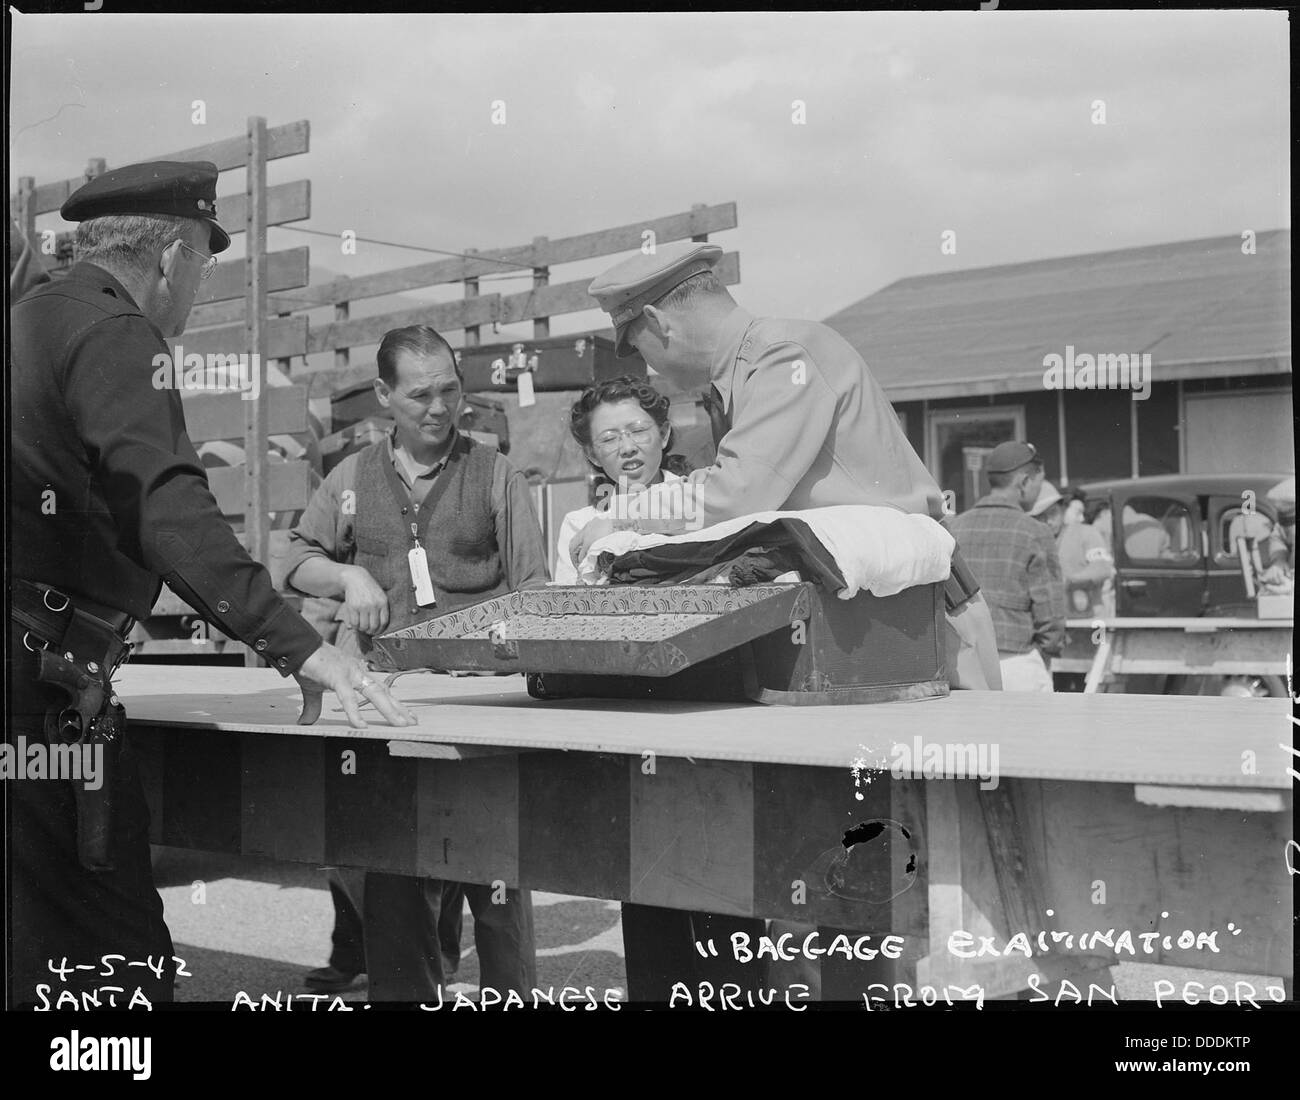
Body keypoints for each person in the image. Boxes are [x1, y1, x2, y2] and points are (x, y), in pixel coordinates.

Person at [9, 160, 414, 1009]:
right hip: (39, 691)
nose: (199, 286)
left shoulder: (30, 319)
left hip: (29, 674)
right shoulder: (118, 334)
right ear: (172, 259)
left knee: (34, 951)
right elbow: (169, 513)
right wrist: (300, 646)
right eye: (204, 263)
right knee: (113, 965)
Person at [583, 240, 1003, 1003]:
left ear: (654, 321)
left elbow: (733, 500)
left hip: (915, 632)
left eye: (631, 344)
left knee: (970, 883)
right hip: (853, 639)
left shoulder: (785, 356)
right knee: (852, 865)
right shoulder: (739, 378)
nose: (638, 369)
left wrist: (615, 522)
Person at [279, 323, 547, 1002]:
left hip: (479, 709)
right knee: (393, 871)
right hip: (385, 703)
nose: (439, 407)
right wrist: (346, 580)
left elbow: (536, 591)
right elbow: (295, 560)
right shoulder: (352, 478)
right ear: (383, 396)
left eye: (450, 390)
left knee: (495, 874)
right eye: (420, 394)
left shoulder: (495, 474)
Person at [948, 441, 1066, 693]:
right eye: (1039, 482)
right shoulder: (1036, 532)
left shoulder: (955, 528)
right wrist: (1047, 651)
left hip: (966, 664)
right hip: (1019, 662)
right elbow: (1051, 613)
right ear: (1023, 482)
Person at [554, 376, 691, 584]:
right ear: (592, 454)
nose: (628, 448)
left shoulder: (698, 498)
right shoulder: (580, 525)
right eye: (609, 439)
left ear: (663, 434)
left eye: (638, 431)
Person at [1054, 489, 1116, 618]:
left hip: (1093, 619)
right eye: (1078, 512)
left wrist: (1069, 580)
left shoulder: (1088, 533)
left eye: (1082, 513)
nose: (1082, 518)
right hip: (1064, 622)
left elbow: (1102, 568)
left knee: (1099, 638)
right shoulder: (1047, 537)